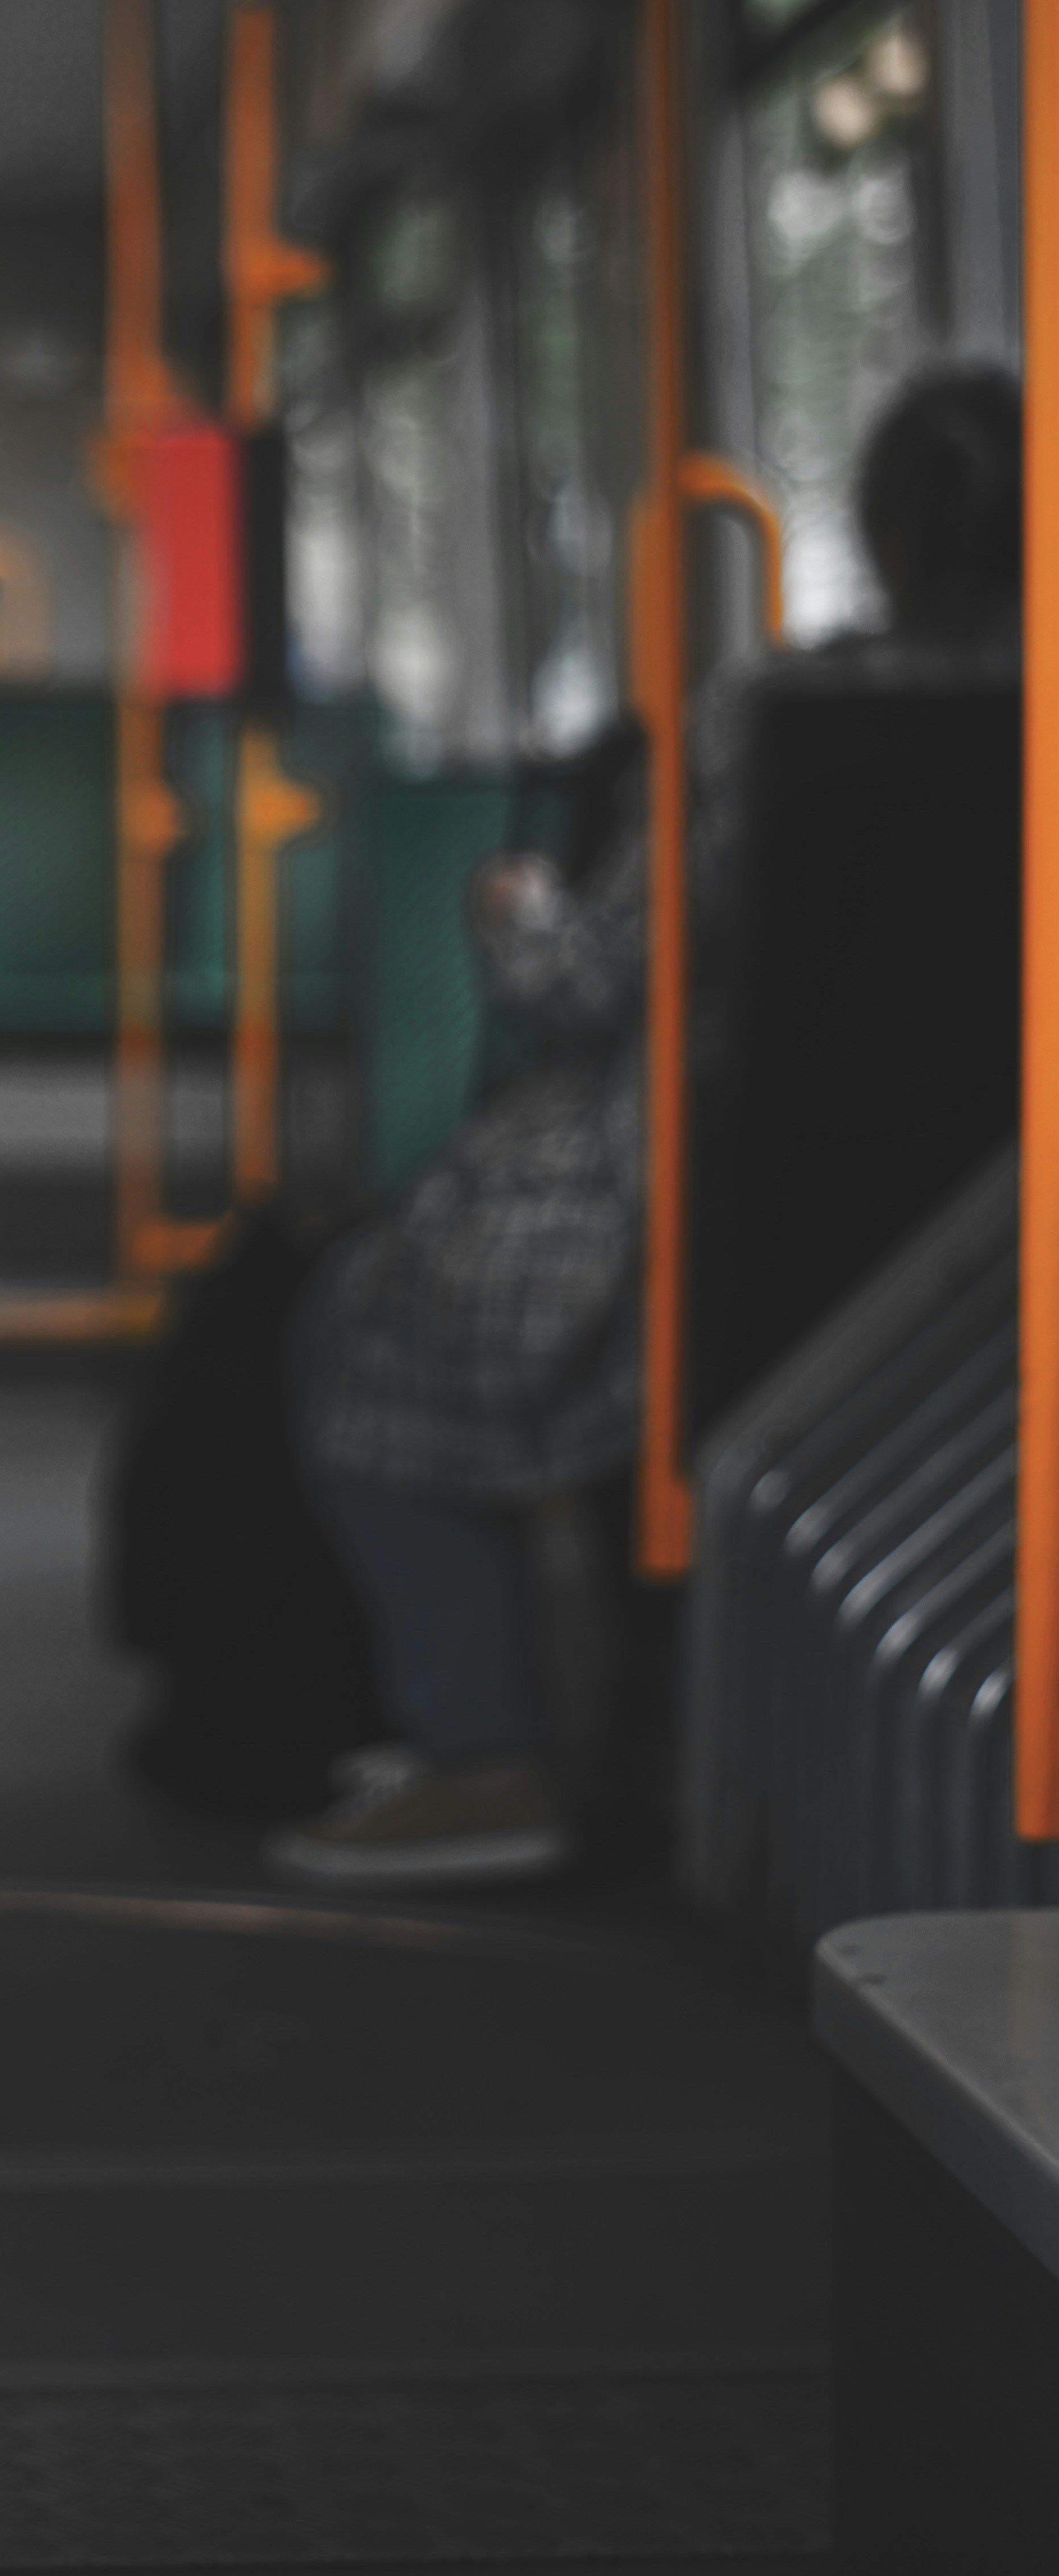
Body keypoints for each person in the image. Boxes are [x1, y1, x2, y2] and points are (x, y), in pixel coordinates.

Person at [265, 362, 1024, 1893]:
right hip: (988, 1218)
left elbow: (597, 981)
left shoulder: (783, 719)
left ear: (885, 535)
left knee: (356, 1318)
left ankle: (480, 1747)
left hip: (724, 1197)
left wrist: (513, 906)